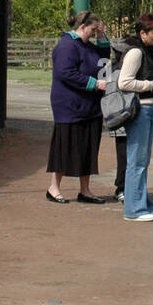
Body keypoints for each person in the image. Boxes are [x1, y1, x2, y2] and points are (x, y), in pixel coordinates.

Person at [47, 11, 110, 204]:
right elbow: (65, 72)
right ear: (82, 27)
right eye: (92, 29)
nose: (93, 33)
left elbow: (103, 59)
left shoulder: (86, 45)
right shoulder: (67, 46)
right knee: (65, 146)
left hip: (89, 105)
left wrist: (101, 37)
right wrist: (95, 84)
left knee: (89, 145)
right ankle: (53, 188)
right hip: (70, 105)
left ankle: (85, 190)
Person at [115, 14, 153, 221]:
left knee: (142, 160)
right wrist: (151, 85)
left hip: (149, 110)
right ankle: (134, 210)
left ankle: (143, 204)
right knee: (137, 160)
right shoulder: (136, 52)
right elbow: (124, 82)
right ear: (143, 33)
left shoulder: (146, 49)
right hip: (141, 109)